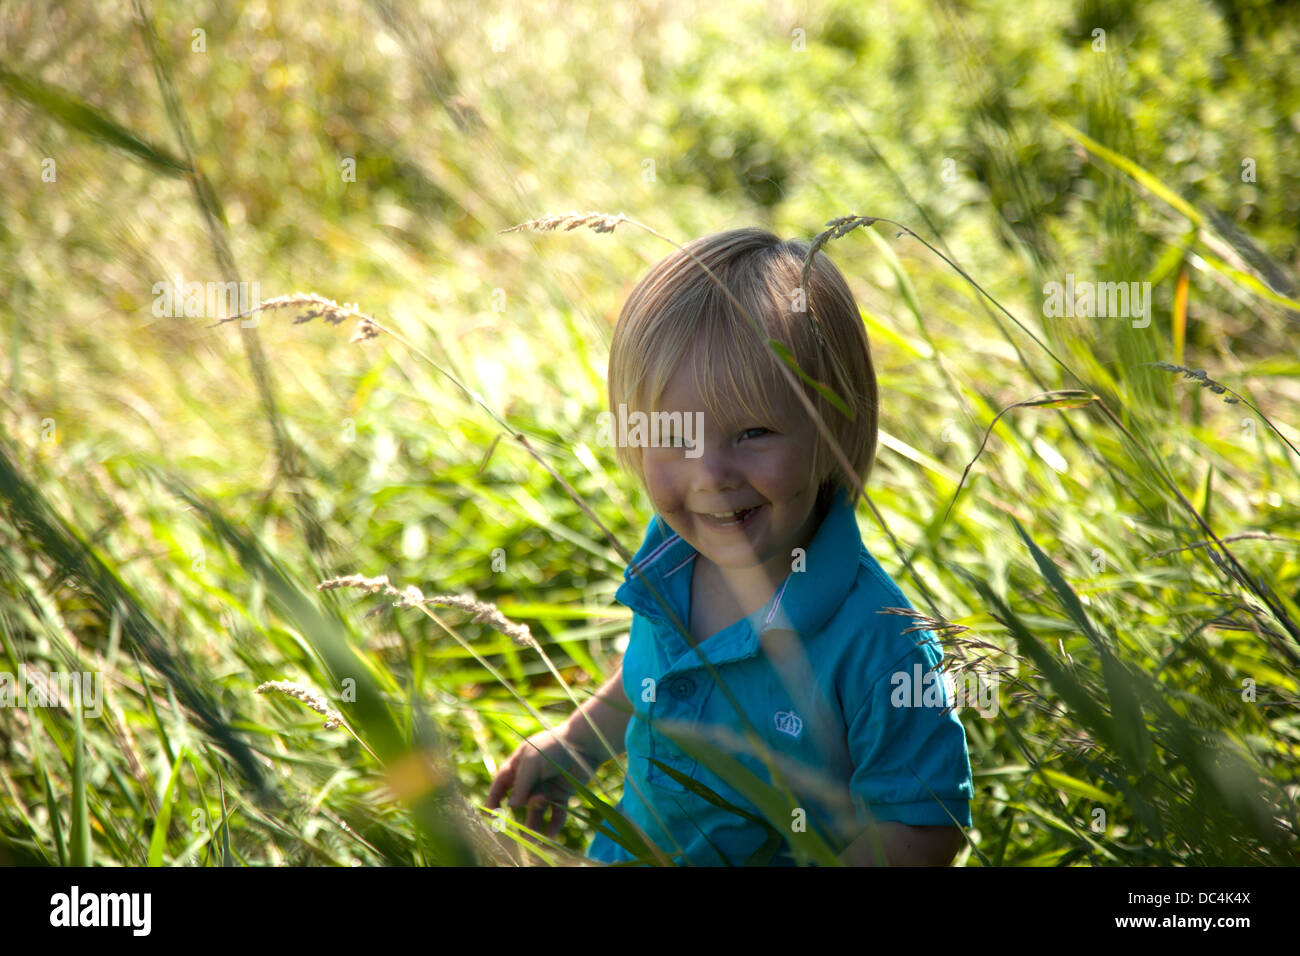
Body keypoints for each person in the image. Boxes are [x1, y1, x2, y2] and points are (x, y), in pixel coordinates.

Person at [486, 227, 974, 865]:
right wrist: (575, 744)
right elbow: (651, 681)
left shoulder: (880, 641)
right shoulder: (672, 562)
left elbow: (924, 826)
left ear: (833, 428)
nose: (710, 473)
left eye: (753, 431)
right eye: (674, 436)